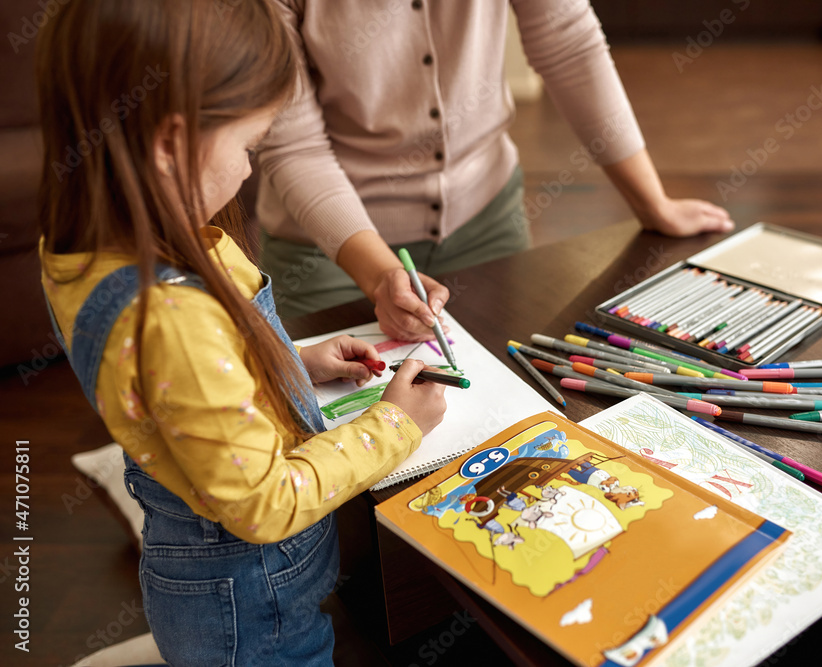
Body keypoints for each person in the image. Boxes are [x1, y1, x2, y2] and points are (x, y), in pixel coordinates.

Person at [36, 1, 446, 664]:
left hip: (228, 593)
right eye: (250, 147)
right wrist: (395, 424)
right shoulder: (170, 317)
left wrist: (291, 361)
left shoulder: (81, 243)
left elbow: (179, 389)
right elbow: (266, 502)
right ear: (171, 145)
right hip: (250, 610)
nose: (253, 171)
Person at [256, 0, 735, 335]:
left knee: (510, 403)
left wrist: (653, 204)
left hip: (486, 216)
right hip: (324, 252)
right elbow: (295, 146)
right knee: (342, 426)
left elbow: (569, 44)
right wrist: (380, 274)